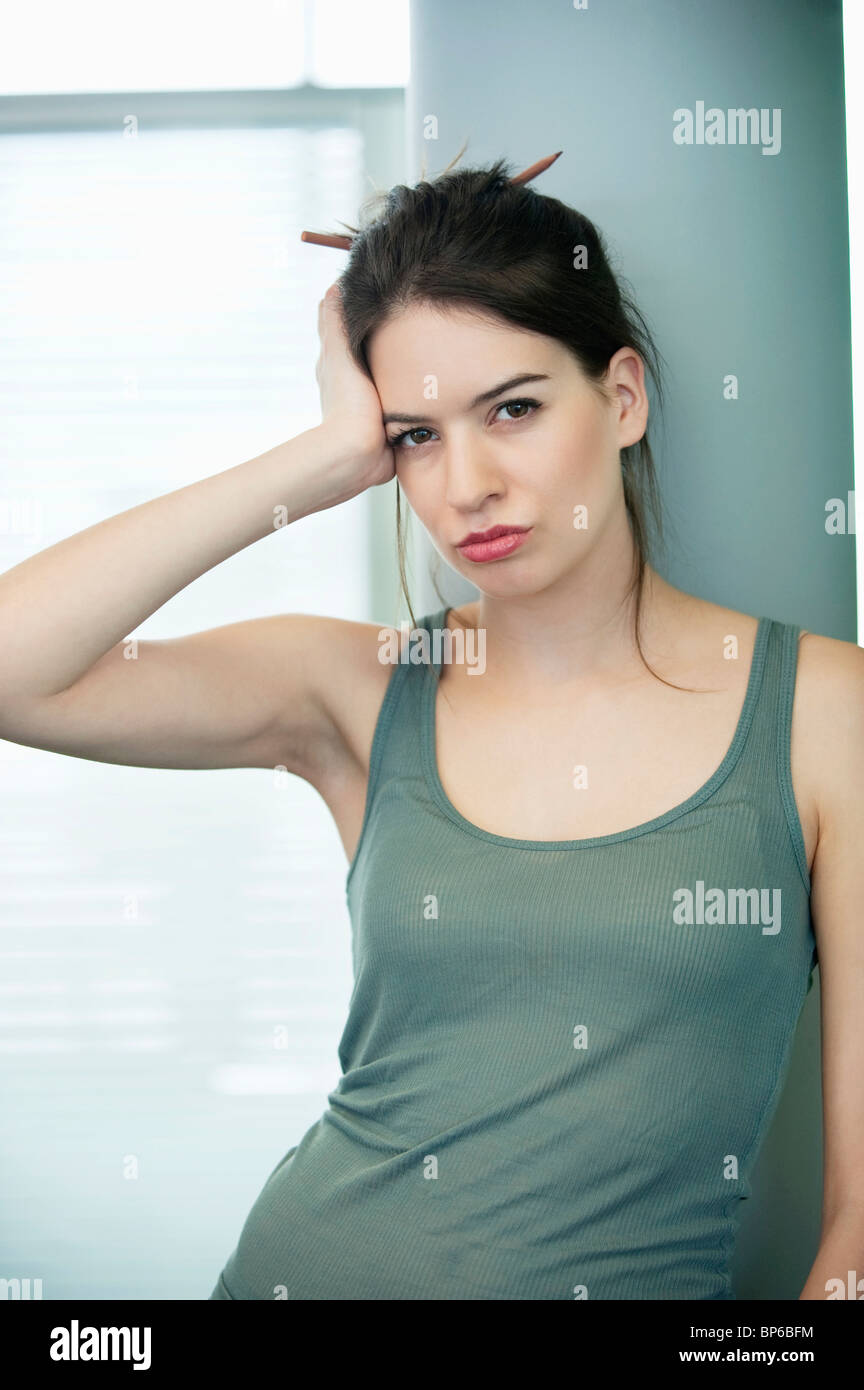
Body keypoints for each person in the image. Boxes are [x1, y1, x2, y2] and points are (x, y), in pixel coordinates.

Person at [0, 155, 861, 1301]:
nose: (467, 484)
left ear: (622, 398)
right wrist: (323, 457)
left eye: (512, 408)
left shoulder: (820, 709)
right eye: (417, 435)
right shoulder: (356, 689)